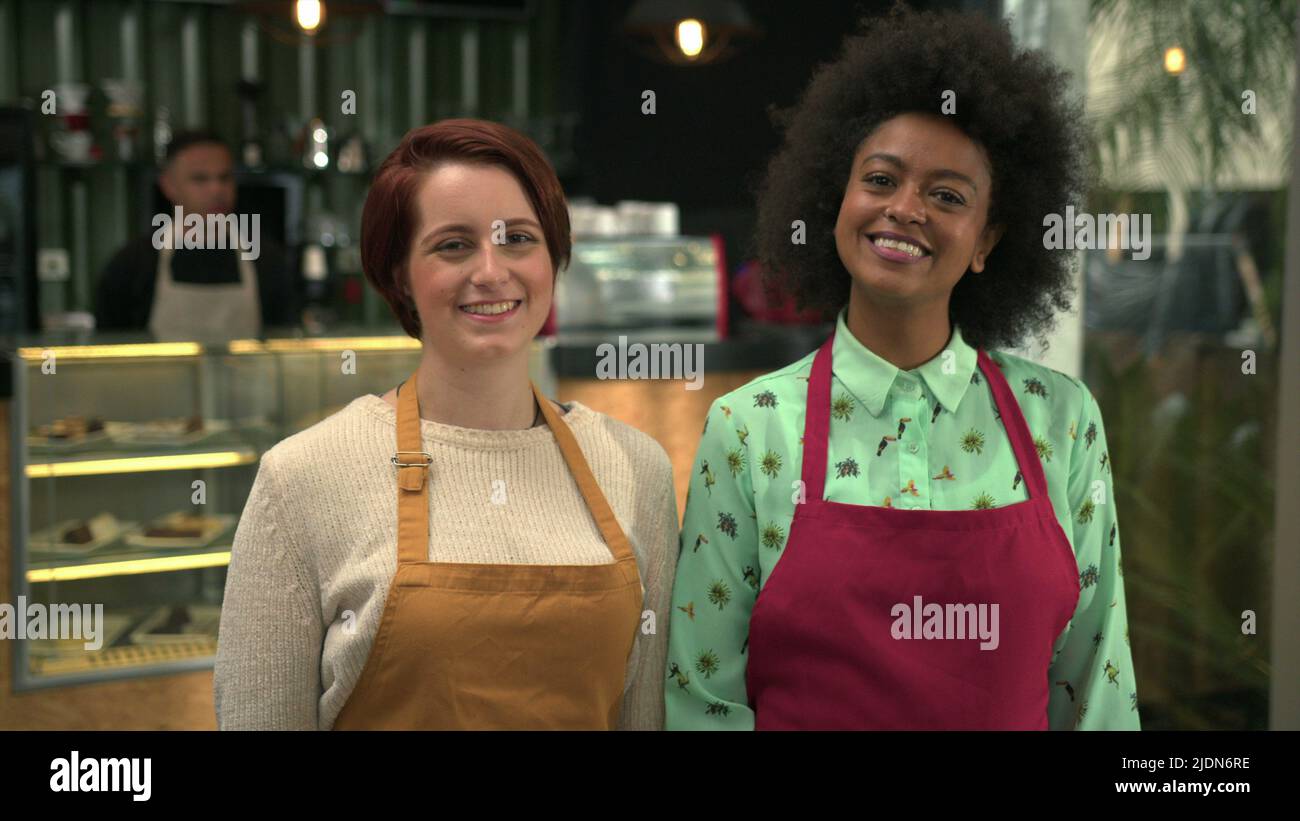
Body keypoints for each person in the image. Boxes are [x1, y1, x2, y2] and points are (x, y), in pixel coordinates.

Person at [665, 5, 1140, 730]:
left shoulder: (1063, 420)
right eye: (881, 180)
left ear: (988, 241)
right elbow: (704, 700)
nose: (905, 209)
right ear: (835, 201)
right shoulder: (749, 428)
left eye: (947, 195)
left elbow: (1097, 689)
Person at [215, 119, 678, 730]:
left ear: (554, 257)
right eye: (453, 245)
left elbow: (644, 718)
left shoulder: (636, 470)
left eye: (517, 238)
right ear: (400, 275)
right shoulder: (303, 478)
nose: (491, 271)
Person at [94, 130, 297, 337]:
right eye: (200, 179)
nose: (216, 190)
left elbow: (283, 343)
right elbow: (110, 347)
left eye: (224, 178)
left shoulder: (265, 258)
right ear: (168, 185)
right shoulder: (135, 262)